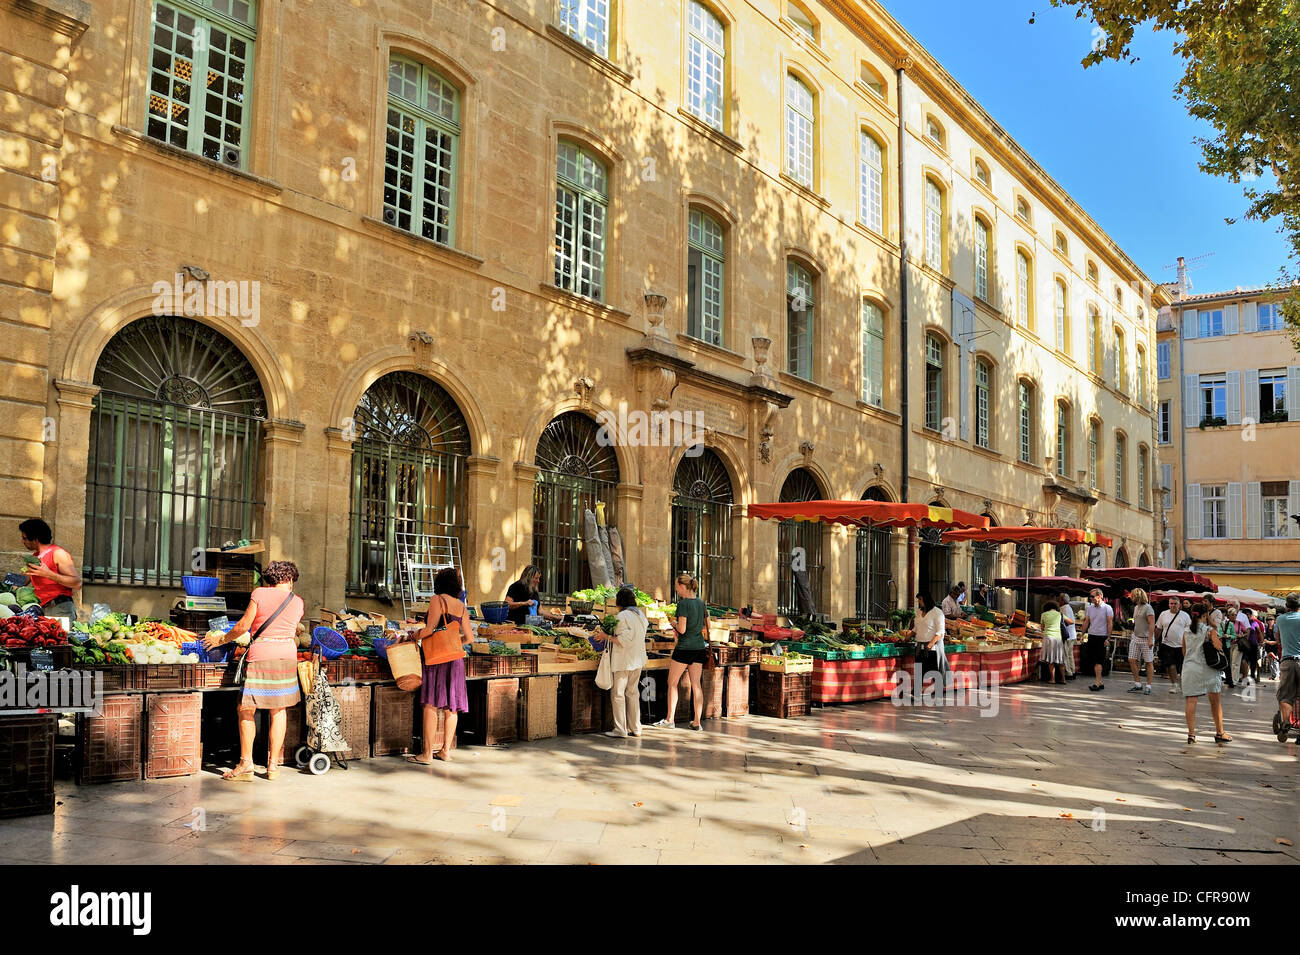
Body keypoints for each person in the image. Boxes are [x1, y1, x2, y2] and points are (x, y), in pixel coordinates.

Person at [202, 560, 305, 780]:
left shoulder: (259, 593)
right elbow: (292, 628)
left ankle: (246, 763)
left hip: (262, 656)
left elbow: (242, 626)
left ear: (271, 579)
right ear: (288, 579)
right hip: (287, 656)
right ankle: (273, 766)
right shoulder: (298, 602)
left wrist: (221, 639)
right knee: (279, 710)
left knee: (246, 708)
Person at [404, 566, 469, 763]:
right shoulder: (462, 605)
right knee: (452, 706)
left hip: (436, 659)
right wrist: (454, 642)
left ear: (439, 583)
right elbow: (470, 637)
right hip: (456, 660)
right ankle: (445, 751)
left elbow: (430, 629)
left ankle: (426, 754)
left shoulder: (437, 600)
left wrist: (414, 635)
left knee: (430, 704)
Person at [653, 574, 710, 731]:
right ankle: (697, 722)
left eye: (677, 586)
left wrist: (674, 623)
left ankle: (670, 719)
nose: (676, 590)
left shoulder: (683, 604)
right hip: (699, 647)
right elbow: (708, 626)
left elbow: (682, 629)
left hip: (684, 648)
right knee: (696, 685)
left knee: (672, 683)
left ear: (684, 587)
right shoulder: (701, 603)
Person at [1181, 603, 1231, 744]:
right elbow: (1218, 646)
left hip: (1190, 668)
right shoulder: (1209, 630)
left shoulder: (1186, 631)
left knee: (1191, 700)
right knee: (1215, 702)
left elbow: (1184, 651)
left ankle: (1191, 734)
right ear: (1205, 615)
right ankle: (1220, 732)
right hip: (1208, 670)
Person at [17, 518, 81, 621]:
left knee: (60, 637)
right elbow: (22, 580)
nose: (22, 541)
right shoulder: (36, 556)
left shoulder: (58, 553)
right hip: (42, 609)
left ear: (35, 539)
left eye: (25, 538)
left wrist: (48, 574)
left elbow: (77, 583)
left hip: (60, 608)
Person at [605, 587, 648, 739]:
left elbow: (624, 640)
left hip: (624, 660)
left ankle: (620, 730)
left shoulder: (622, 616)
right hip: (638, 660)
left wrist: (607, 637)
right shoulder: (641, 614)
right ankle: (636, 727)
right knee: (633, 693)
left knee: (618, 694)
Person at [1274, 593, 1300, 743]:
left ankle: (1286, 721)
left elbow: (1278, 639)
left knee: (1285, 696)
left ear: (1286, 606)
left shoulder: (1280, 619)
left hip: (1287, 661)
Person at [914, 591, 948, 699]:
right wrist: (909, 634)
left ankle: (938, 692)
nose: (919, 602)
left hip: (932, 647)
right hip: (919, 645)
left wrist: (931, 643)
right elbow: (916, 627)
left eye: (920, 600)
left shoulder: (937, 613)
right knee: (919, 669)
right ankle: (916, 692)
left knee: (934, 670)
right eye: (918, 600)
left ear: (926, 599)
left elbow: (940, 631)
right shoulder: (919, 612)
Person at [1155, 596, 1191, 694]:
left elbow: (1190, 631)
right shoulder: (1163, 614)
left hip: (1181, 645)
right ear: (1169, 604)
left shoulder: (1185, 616)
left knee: (1182, 666)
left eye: (1175, 603)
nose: (1173, 606)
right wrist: (1154, 640)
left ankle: (1185, 685)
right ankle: (1174, 685)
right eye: (1171, 603)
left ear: (1179, 605)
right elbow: (1158, 628)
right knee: (1170, 665)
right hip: (1167, 644)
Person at [1126, 588, 1157, 695]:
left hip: (1146, 638)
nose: (1131, 597)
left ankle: (1148, 685)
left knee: (1148, 662)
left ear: (1137, 596)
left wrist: (1150, 638)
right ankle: (1138, 683)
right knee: (1131, 659)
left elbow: (1152, 624)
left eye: (1133, 595)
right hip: (1136, 636)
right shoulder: (1136, 607)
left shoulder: (1148, 608)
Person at [1083, 588, 1113, 692]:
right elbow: (1086, 621)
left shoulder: (1107, 608)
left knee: (1098, 660)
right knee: (1093, 660)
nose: (1090, 598)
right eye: (1090, 596)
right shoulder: (1090, 608)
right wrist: (1082, 634)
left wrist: (1108, 638)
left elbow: (1110, 623)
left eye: (1092, 596)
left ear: (1099, 596)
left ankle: (1097, 683)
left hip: (1102, 637)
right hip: (1092, 636)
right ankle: (1100, 682)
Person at [1039, 601, 1066, 685]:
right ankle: (1063, 679)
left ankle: (1053, 679)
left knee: (1051, 660)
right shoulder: (1059, 614)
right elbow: (1071, 621)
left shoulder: (1044, 614)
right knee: (1060, 660)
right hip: (1058, 638)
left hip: (1048, 638)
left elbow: (1042, 627)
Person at [1058, 592, 1078, 680]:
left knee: (1066, 654)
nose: (1058, 600)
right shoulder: (1069, 607)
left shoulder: (1063, 608)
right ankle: (1073, 671)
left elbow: (1065, 622)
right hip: (1072, 634)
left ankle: (1068, 673)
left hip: (1067, 635)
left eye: (1059, 598)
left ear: (1062, 600)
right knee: (1070, 654)